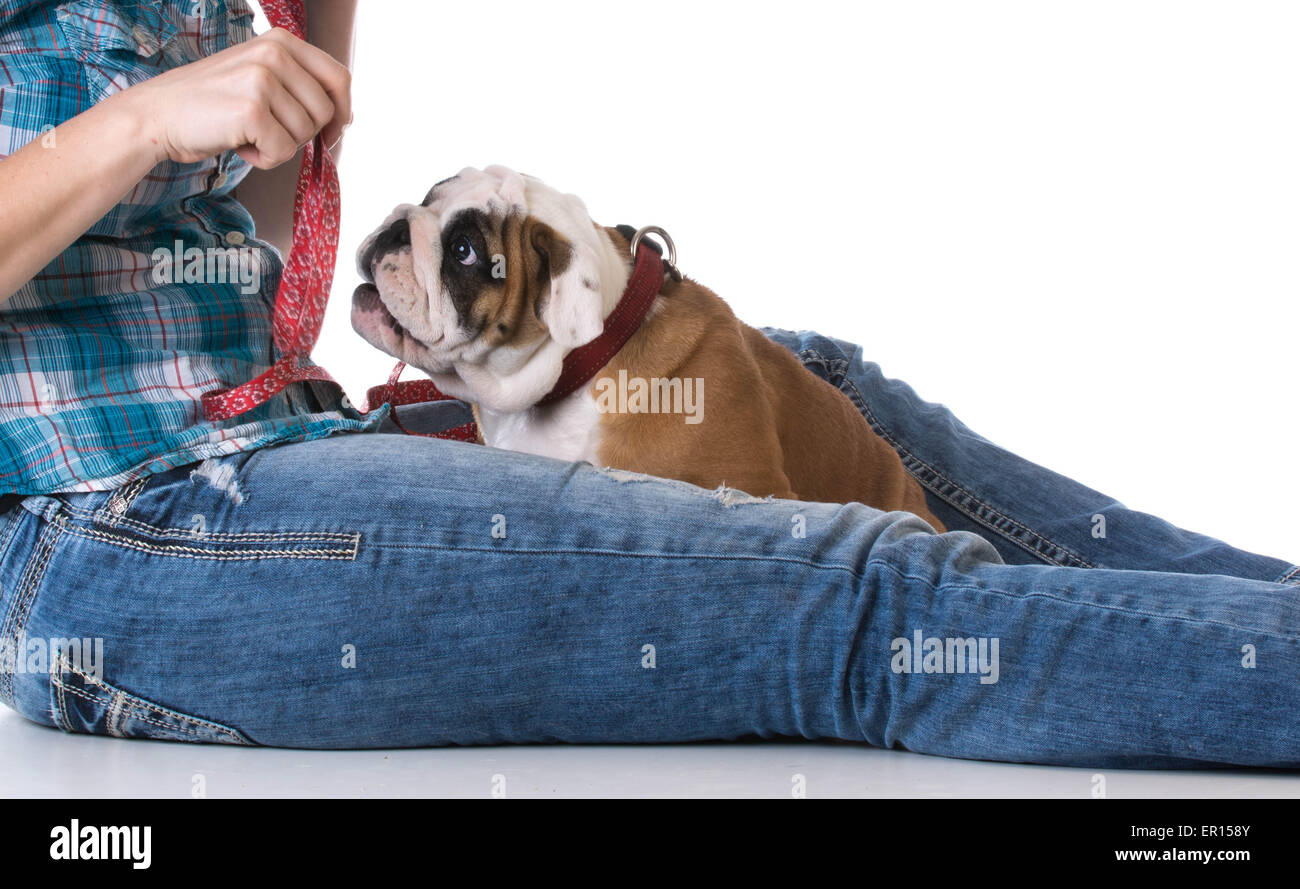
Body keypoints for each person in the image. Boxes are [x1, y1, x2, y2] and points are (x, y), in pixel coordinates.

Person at [0, 0, 1295, 767]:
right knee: (841, 587)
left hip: (282, 433)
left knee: (803, 384)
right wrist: (129, 123)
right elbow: (149, 138)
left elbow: (263, 207)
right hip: (110, 525)